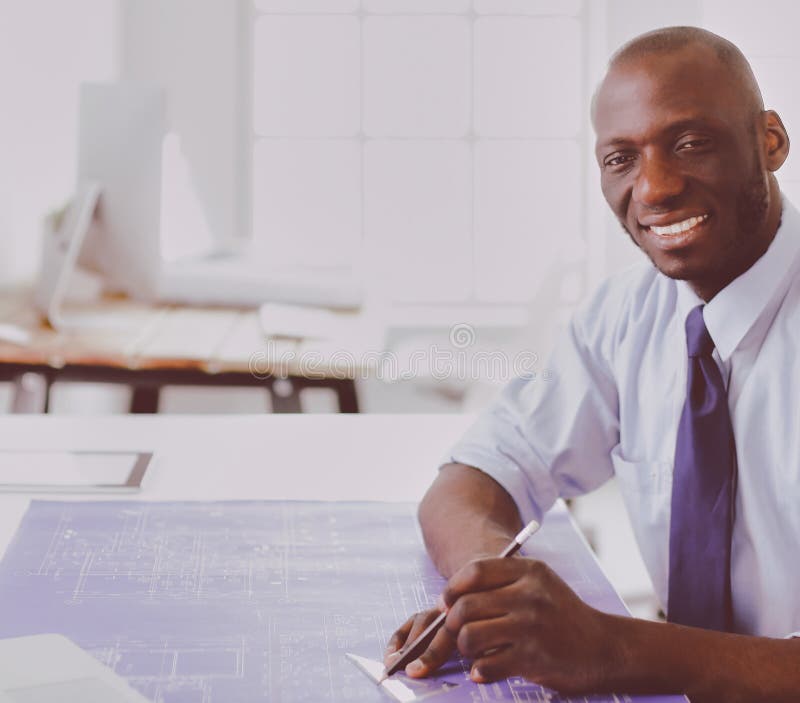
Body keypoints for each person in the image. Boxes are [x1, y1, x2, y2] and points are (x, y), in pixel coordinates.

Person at [384, 26, 800, 703]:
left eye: (690, 143)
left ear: (770, 141)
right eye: (621, 159)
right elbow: (472, 476)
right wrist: (489, 593)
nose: (655, 188)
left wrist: (619, 649)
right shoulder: (629, 314)